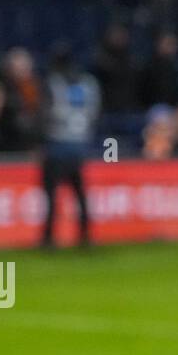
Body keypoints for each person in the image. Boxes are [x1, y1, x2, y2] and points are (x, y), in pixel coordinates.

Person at [39, 44, 101, 248]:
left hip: (57, 145)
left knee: (51, 195)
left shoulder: (53, 82)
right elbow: (94, 113)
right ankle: (85, 236)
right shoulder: (88, 83)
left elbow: (45, 113)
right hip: (79, 145)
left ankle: (49, 238)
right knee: (79, 193)